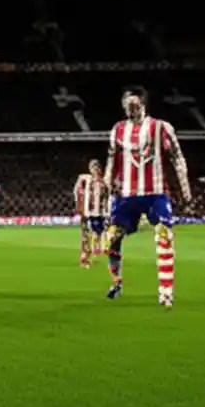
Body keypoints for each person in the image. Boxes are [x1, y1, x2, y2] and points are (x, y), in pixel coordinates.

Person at [103, 86, 192, 308]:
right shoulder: (117, 129)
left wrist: (185, 188)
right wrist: (106, 183)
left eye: (134, 105)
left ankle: (166, 291)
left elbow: (177, 157)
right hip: (126, 195)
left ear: (143, 105)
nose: (130, 109)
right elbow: (112, 159)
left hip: (155, 192)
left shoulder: (161, 127)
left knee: (164, 236)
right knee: (112, 237)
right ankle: (116, 282)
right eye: (126, 106)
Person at [73, 159, 109, 268]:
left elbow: (107, 196)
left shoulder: (104, 182)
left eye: (97, 167)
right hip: (86, 213)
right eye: (93, 167)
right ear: (90, 168)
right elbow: (76, 191)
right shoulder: (84, 179)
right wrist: (79, 204)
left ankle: (95, 253)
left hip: (99, 213)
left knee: (98, 234)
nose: (95, 169)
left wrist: (106, 209)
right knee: (85, 236)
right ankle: (84, 259)